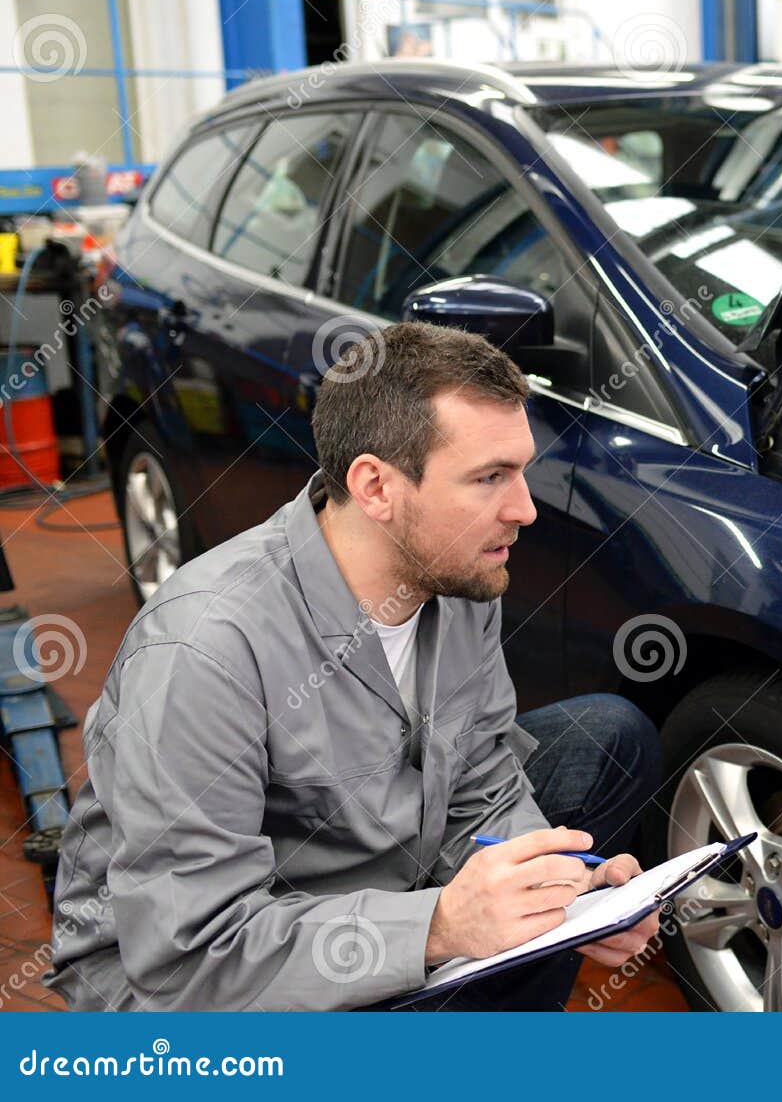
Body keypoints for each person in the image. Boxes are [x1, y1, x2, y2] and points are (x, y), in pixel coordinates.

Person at [44, 321, 664, 1010]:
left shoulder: (455, 574)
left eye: (521, 471)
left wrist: (562, 889)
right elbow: (189, 958)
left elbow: (483, 783)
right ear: (375, 487)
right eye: (489, 478)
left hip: (374, 880)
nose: (523, 510)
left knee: (609, 734)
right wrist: (438, 927)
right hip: (187, 986)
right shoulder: (205, 648)